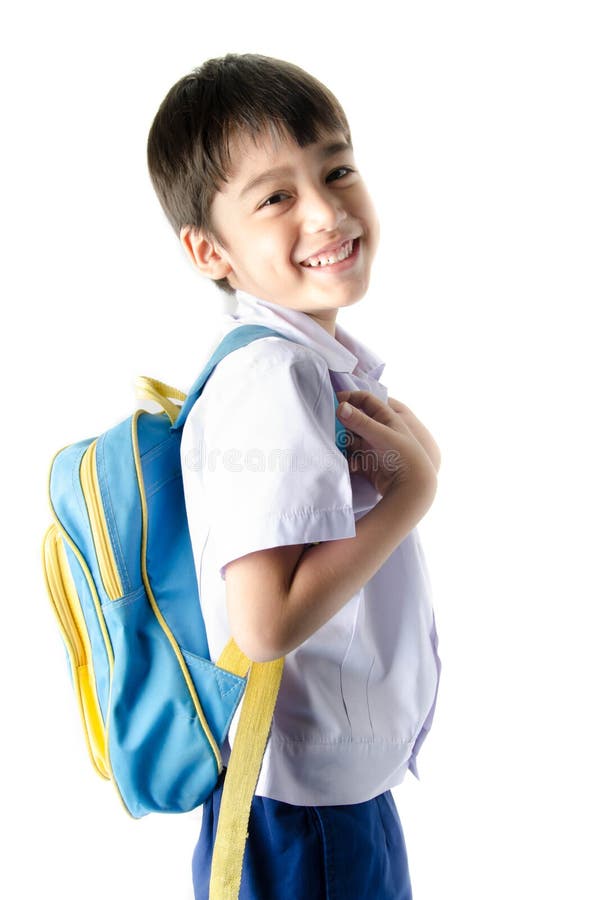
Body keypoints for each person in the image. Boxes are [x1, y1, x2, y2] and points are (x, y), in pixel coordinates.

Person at [147, 52, 442, 900]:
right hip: (304, 810)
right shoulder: (272, 375)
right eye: (275, 198)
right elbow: (265, 623)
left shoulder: (305, 365)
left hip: (325, 792)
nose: (325, 210)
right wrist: (412, 497)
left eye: (337, 169)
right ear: (209, 250)